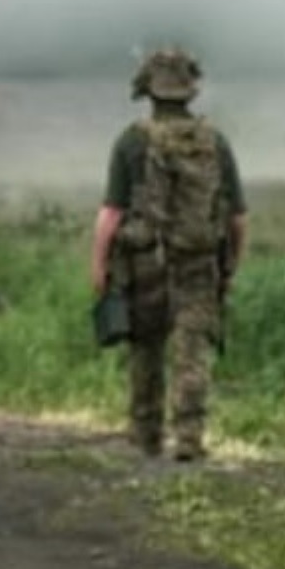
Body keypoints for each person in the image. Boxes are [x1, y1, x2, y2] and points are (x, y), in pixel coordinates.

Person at [90, 48, 246, 462]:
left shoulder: (131, 140)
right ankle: (190, 439)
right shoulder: (215, 142)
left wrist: (99, 265)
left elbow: (111, 213)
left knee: (146, 347)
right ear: (189, 91)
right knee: (192, 349)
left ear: (149, 90)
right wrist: (229, 266)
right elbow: (237, 216)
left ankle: (146, 437)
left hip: (144, 261)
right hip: (199, 260)